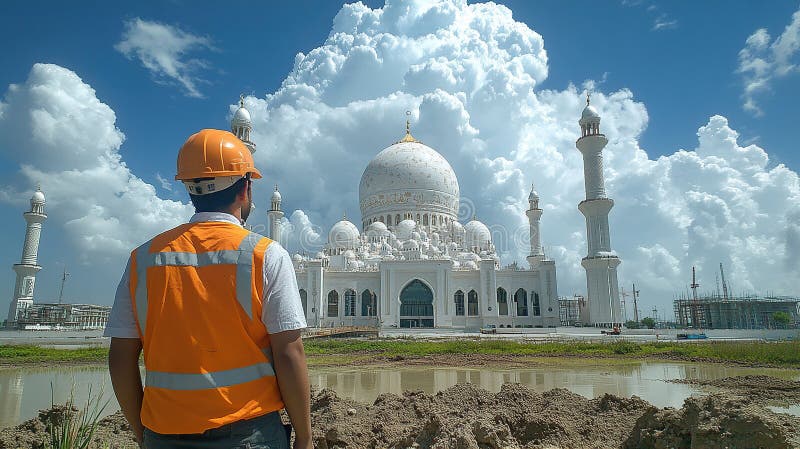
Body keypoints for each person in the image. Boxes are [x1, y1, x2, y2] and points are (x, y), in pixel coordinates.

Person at [104, 129, 312, 449]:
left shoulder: (142, 260)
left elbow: (120, 359)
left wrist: (142, 433)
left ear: (189, 189)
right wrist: (305, 437)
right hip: (250, 434)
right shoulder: (265, 255)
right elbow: (289, 352)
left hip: (164, 434)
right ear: (246, 188)